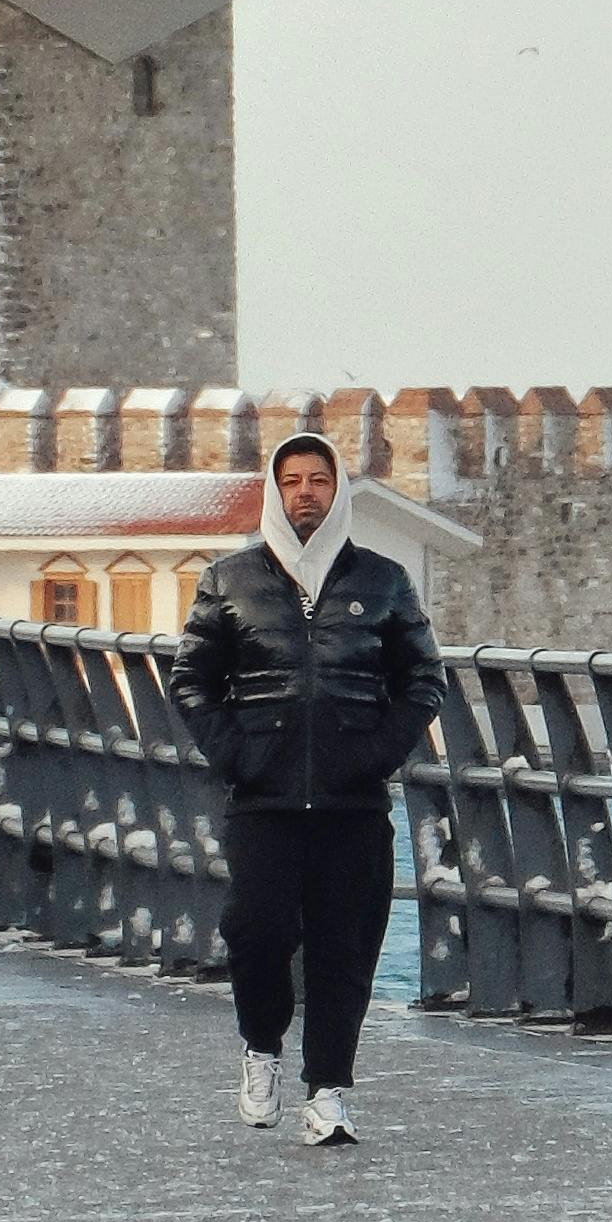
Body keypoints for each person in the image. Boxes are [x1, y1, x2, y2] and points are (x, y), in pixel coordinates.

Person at [167, 431, 441, 1145]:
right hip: (264, 799)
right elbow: (191, 678)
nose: (305, 494)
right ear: (275, 491)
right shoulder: (230, 579)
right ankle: (261, 1049)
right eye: (291, 482)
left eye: (318, 480)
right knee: (255, 933)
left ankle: (328, 1094)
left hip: (353, 803)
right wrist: (237, 755)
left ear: (338, 489)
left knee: (343, 949)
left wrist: (375, 755)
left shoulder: (383, 581)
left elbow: (423, 679)